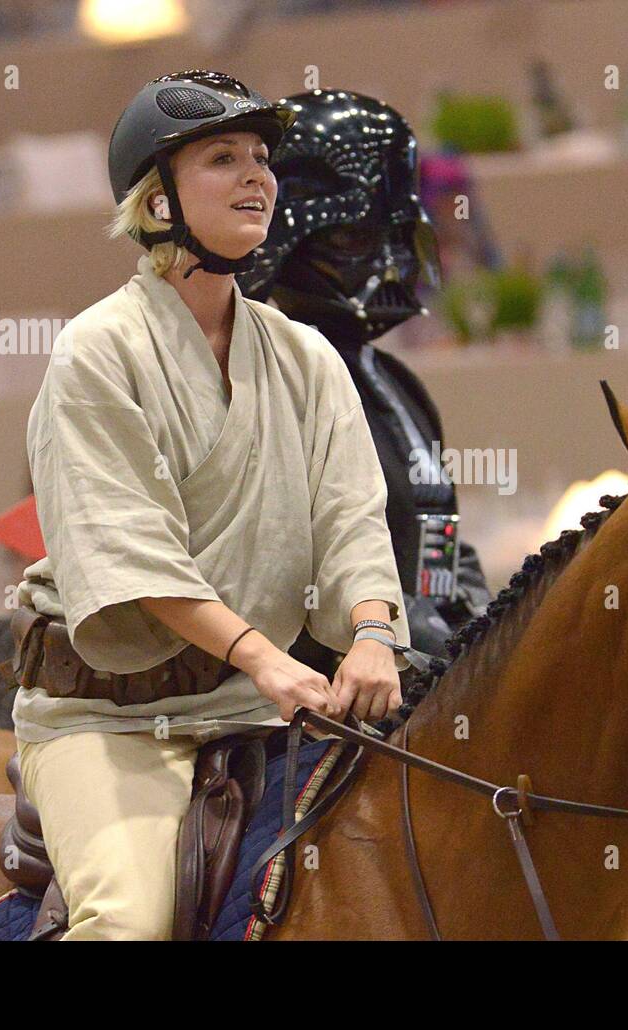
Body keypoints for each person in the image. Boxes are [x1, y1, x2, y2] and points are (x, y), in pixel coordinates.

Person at [9, 70, 409, 940]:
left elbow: (351, 518)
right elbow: (133, 553)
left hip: (259, 705)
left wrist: (373, 633)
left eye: (263, 157)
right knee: (126, 923)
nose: (258, 176)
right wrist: (269, 661)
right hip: (112, 720)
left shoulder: (307, 359)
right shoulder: (96, 353)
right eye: (224, 158)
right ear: (157, 203)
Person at [240, 89, 491, 669]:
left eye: (395, 239)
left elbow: (437, 530)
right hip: (318, 691)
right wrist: (397, 631)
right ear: (283, 243)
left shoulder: (398, 386)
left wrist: (474, 610)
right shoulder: (259, 387)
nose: (388, 265)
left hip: (423, 683)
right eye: (355, 239)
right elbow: (272, 578)